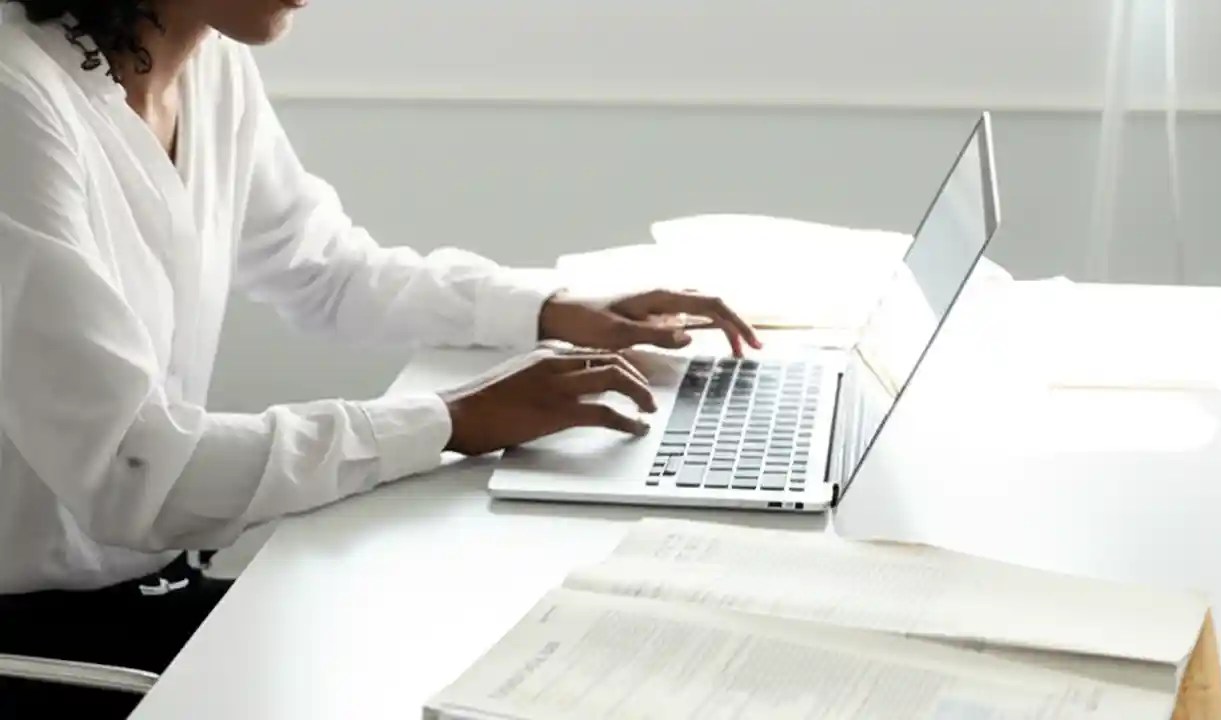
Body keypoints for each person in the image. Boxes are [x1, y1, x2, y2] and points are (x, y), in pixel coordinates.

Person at [0, 0, 761, 715]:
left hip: (154, 586)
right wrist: (450, 421)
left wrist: (549, 309)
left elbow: (325, 268)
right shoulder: (18, 101)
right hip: (40, 643)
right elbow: (137, 473)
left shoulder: (209, 62)